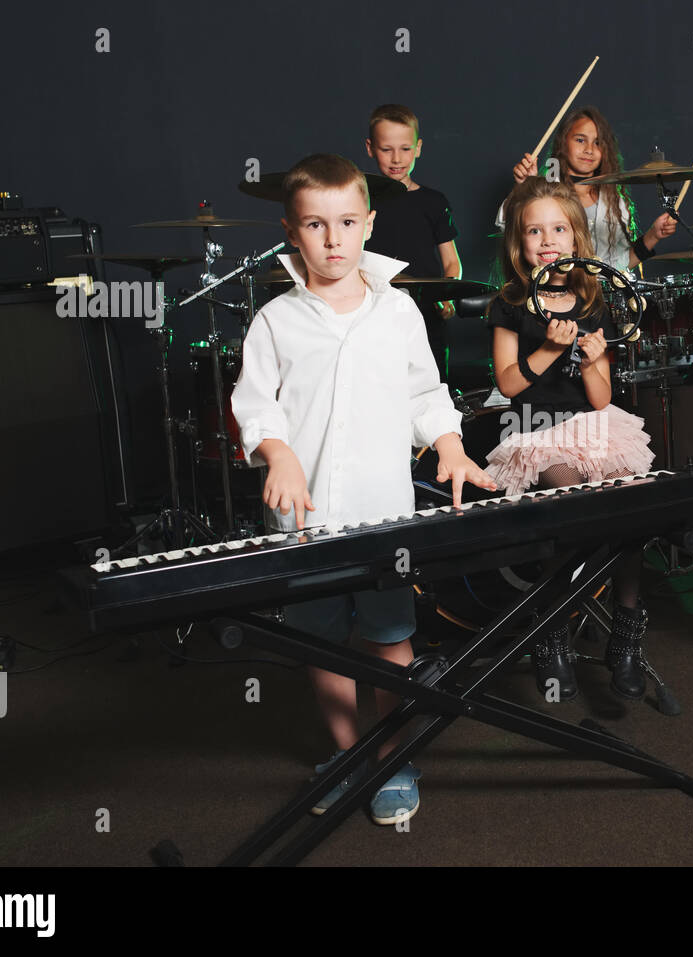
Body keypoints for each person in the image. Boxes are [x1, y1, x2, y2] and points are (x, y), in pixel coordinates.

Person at [231, 153, 496, 821]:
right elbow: (255, 404)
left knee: (390, 641)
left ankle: (392, 756)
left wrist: (452, 444)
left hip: (383, 521)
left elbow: (424, 393)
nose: (333, 239)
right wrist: (278, 451)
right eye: (315, 225)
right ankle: (350, 754)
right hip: (307, 522)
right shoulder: (274, 322)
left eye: (346, 222)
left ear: (369, 222)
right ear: (292, 231)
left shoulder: (399, 310)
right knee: (319, 643)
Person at [486, 177, 655, 701]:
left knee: (631, 507)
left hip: (593, 425)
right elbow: (509, 384)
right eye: (534, 230)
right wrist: (552, 350)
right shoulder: (510, 303)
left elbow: (602, 398)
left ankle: (626, 637)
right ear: (520, 242)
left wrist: (588, 355)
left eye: (558, 228)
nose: (547, 239)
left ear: (577, 238)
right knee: (566, 507)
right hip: (535, 430)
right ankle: (553, 633)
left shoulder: (592, 299)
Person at [503, 106, 675, 271]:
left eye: (598, 143)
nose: (589, 150)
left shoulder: (614, 200)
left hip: (603, 296)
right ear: (563, 143)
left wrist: (653, 235)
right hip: (558, 291)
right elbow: (507, 228)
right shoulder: (547, 190)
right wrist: (524, 188)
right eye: (580, 140)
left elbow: (619, 266)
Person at [363, 104, 462, 376]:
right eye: (386, 149)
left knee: (430, 383)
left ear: (418, 148)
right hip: (373, 312)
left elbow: (451, 262)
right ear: (370, 148)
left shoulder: (434, 202)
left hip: (424, 313)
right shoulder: (360, 200)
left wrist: (447, 296)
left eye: (405, 149)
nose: (397, 159)